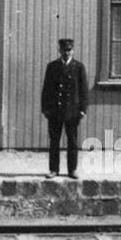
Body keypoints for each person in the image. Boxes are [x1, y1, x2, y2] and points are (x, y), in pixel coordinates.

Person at [41, 37, 89, 178]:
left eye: (69, 50)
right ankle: (54, 169)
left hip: (72, 112)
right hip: (55, 111)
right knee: (54, 141)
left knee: (72, 141)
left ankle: (72, 170)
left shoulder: (78, 67)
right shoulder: (52, 67)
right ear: (59, 50)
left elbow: (84, 90)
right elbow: (46, 89)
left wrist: (82, 109)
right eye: (64, 50)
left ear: (73, 51)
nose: (66, 53)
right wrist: (45, 108)